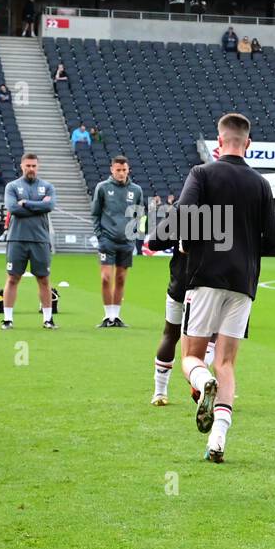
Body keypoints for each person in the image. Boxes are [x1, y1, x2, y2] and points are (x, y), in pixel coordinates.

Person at [175, 112, 275, 462]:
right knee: (228, 363)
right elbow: (273, 240)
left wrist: (188, 243)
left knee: (190, 355)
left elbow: (184, 214)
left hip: (207, 277)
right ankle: (217, 440)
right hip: (243, 283)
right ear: (247, 144)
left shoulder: (202, 173)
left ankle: (202, 381)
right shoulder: (262, 184)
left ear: (219, 141)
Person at [147, 194, 218, 406]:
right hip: (208, 287)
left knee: (170, 335)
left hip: (180, 284)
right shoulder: (223, 212)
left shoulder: (181, 212)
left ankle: (159, 392)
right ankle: (200, 384)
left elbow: (154, 242)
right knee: (210, 339)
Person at [0, 153, 57, 331]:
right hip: (17, 238)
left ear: (38, 167)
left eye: (34, 166)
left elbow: (50, 206)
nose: (31, 169)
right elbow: (12, 208)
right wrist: (37, 205)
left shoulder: (47, 186)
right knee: (12, 278)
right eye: (28, 166)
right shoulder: (12, 186)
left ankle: (48, 319)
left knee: (44, 279)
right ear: (21, 166)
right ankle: (7, 319)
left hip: (40, 239)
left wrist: (25, 203)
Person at [91, 155, 144, 328]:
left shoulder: (136, 190)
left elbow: (140, 216)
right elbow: (95, 214)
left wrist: (137, 235)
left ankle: (116, 317)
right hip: (107, 240)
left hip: (126, 241)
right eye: (118, 170)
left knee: (120, 278)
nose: (121, 173)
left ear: (128, 170)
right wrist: (100, 235)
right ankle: (107, 316)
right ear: (112, 170)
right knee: (106, 278)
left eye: (124, 170)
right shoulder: (103, 188)